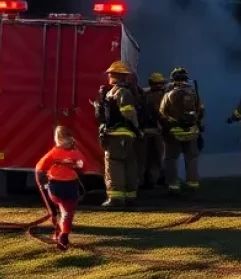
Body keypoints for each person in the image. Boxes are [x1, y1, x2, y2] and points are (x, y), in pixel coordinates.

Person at [93, 60, 142, 207]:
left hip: (115, 135)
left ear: (114, 75)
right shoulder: (122, 91)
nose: (109, 76)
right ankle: (130, 196)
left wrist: (134, 126)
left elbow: (128, 112)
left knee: (114, 165)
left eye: (110, 74)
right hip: (125, 134)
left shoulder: (119, 92)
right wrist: (136, 129)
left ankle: (116, 198)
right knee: (129, 164)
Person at [35, 125, 88, 250]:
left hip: (55, 188)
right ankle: (64, 235)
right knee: (67, 213)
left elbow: (39, 168)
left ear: (56, 139)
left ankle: (58, 232)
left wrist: (42, 184)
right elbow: (83, 167)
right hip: (71, 187)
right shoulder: (76, 153)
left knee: (58, 210)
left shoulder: (53, 153)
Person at [159, 66, 204, 195]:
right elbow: (201, 110)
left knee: (171, 159)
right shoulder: (194, 93)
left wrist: (169, 125)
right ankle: (193, 184)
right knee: (191, 158)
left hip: (174, 133)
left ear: (173, 80)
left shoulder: (169, 94)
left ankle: (173, 186)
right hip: (192, 132)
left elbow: (162, 113)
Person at [139, 71, 168, 189]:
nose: (159, 86)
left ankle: (150, 180)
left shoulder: (144, 94)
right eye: (157, 84)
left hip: (148, 131)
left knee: (149, 157)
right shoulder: (164, 96)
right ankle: (160, 179)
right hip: (156, 131)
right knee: (159, 157)